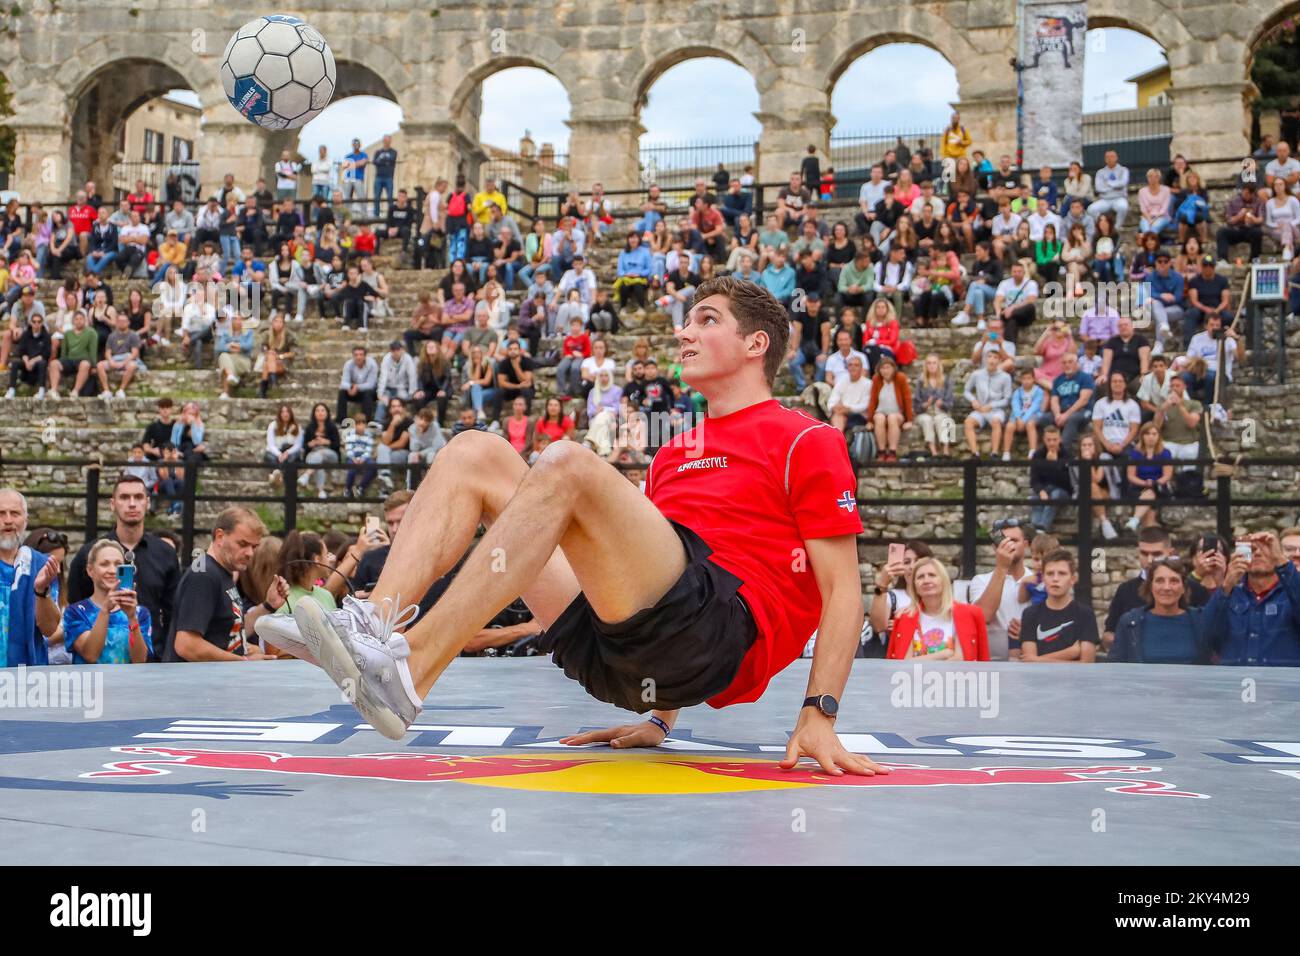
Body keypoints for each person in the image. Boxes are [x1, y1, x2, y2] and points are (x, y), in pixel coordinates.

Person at [257, 276, 887, 781]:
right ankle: (375, 623)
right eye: (687, 318)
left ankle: (411, 669)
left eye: (707, 320)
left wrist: (819, 713)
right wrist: (659, 714)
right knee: (476, 450)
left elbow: (841, 590)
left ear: (757, 345)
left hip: (722, 637)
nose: (684, 331)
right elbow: (645, 577)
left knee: (567, 463)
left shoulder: (808, 438)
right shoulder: (674, 452)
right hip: (628, 657)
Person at [65, 474, 178, 652]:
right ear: (112, 504)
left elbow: (173, 613)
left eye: (138, 497)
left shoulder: (166, 553)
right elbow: (77, 607)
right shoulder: (89, 554)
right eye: (124, 497)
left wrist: (167, 658)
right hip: (100, 656)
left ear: (147, 503)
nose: (132, 503)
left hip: (153, 660)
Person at [166, 507, 284, 661]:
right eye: (243, 544)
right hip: (194, 682)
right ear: (220, 537)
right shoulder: (204, 574)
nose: (250, 553)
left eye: (254, 547)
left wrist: (268, 606)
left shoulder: (221, 572)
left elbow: (231, 632)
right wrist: (243, 663)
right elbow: (186, 644)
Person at [1101, 526, 1209, 649]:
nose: (1150, 560)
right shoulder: (1125, 590)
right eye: (1144, 553)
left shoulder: (1195, 589)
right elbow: (1108, 634)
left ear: (1170, 553)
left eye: (1156, 554)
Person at [1204, 532, 1300, 666]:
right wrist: (1226, 585)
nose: (1258, 554)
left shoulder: (1292, 592)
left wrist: (1282, 561)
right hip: (1236, 683)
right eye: (1251, 550)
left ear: (1277, 554)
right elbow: (1205, 635)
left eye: (1267, 549)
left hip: (1281, 685)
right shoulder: (1229, 594)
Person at [61, 539, 151, 664]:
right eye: (104, 564)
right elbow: (90, 655)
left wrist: (132, 618)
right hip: (93, 682)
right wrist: (105, 610)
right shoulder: (75, 612)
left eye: (118, 564)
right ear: (90, 570)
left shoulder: (140, 612)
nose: (112, 570)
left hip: (127, 682)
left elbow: (139, 660)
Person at [1110, 556, 1214, 664]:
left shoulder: (1201, 620)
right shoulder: (1130, 623)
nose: (1166, 587)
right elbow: (1115, 668)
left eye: (1174, 581)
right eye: (1160, 581)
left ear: (1183, 587)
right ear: (1150, 586)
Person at [0, 489, 63, 665]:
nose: (8, 520)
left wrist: (41, 591)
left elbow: (49, 629)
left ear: (25, 521)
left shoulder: (40, 565)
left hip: (27, 679)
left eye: (15, 513)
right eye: (1, 513)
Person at [885, 557, 989, 660]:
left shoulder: (968, 614)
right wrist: (944, 654)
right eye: (920, 577)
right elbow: (903, 665)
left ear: (943, 581)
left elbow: (960, 660)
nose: (926, 580)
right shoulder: (904, 617)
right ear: (914, 586)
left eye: (932, 575)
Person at [1018, 550, 1099, 662]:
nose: (1055, 579)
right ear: (1043, 578)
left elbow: (1087, 664)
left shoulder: (1085, 613)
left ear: (1072, 579)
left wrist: (1039, 660)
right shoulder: (1030, 614)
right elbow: (1030, 664)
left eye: (1062, 573)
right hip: (1039, 679)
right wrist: (1071, 652)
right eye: (1050, 574)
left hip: (1074, 679)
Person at [968, 518, 1031, 660]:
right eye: (1004, 541)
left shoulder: (1037, 579)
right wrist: (1002, 568)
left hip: (1032, 662)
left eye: (1014, 540)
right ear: (995, 548)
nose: (1009, 545)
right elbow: (983, 617)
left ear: (1026, 545)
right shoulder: (981, 581)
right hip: (992, 665)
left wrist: (1029, 632)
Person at [963, 347, 1012, 458]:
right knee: (968, 422)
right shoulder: (977, 374)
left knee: (996, 422)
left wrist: (992, 405)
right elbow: (966, 391)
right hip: (980, 408)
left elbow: (1007, 399)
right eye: (989, 357)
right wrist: (973, 400)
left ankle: (994, 453)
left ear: (999, 361)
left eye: (995, 358)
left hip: (996, 410)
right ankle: (975, 453)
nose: (992, 360)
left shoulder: (1005, 377)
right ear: (985, 359)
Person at [866, 356, 912, 461]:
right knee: (879, 418)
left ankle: (892, 451)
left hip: (896, 413)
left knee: (892, 418)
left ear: (893, 368)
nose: (885, 371)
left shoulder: (900, 378)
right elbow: (872, 399)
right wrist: (869, 420)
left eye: (888, 367)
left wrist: (909, 420)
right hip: (880, 412)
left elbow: (907, 398)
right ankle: (881, 451)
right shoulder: (876, 379)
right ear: (879, 370)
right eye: (883, 368)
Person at [300, 402, 341, 499]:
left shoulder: (332, 427)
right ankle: (321, 491)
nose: (320, 413)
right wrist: (312, 443)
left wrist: (326, 442)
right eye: (317, 411)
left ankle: (307, 474)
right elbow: (305, 446)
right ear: (314, 413)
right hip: (313, 454)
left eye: (323, 410)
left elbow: (337, 444)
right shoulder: (310, 427)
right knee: (319, 465)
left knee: (321, 453)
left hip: (330, 454)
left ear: (327, 413)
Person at [264, 403, 304, 486]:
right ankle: (277, 474)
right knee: (270, 456)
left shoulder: (297, 427)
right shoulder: (273, 425)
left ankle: (277, 477)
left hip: (289, 452)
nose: (285, 414)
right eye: (283, 412)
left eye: (287, 412)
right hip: (276, 452)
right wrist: (279, 454)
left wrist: (289, 433)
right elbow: (271, 445)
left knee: (292, 457)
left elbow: (297, 445)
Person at [1089, 150, 1130, 227]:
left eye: (1112, 156)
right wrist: (1116, 186)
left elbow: (1123, 183)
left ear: (1116, 158)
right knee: (1091, 209)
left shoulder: (1123, 170)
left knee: (1123, 207)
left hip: (1119, 198)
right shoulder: (1100, 172)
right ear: (1105, 159)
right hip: (1105, 199)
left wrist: (1108, 184)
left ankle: (1116, 228)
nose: (1109, 159)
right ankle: (1103, 226)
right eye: (1107, 157)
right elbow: (1099, 188)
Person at [337, 345, 378, 423]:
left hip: (370, 393)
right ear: (353, 356)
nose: (358, 357)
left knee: (368, 393)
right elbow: (343, 383)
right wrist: (351, 387)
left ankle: (365, 421)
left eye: (361, 355)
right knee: (342, 392)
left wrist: (356, 387)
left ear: (365, 356)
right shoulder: (348, 364)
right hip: (354, 391)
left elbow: (371, 384)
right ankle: (341, 420)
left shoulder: (372, 364)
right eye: (356, 355)